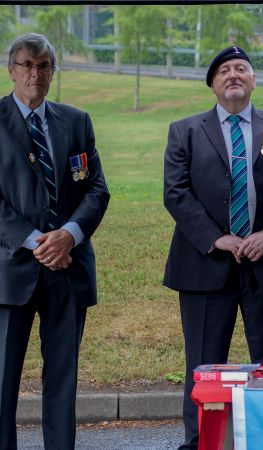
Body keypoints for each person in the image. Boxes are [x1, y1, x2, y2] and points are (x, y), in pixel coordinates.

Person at [163, 46, 263, 449]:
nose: (233, 75)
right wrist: (217, 238)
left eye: (241, 68)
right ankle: (199, 442)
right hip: (206, 264)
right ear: (212, 84)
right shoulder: (185, 131)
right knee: (203, 362)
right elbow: (176, 194)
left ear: (253, 80)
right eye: (224, 70)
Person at [0, 33, 110, 449]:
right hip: (12, 272)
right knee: (2, 382)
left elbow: (96, 189)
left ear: (52, 72)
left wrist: (68, 236)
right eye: (26, 64)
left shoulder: (76, 122)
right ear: (11, 71)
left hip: (69, 270)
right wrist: (36, 242)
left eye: (43, 65)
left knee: (62, 381)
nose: (35, 73)